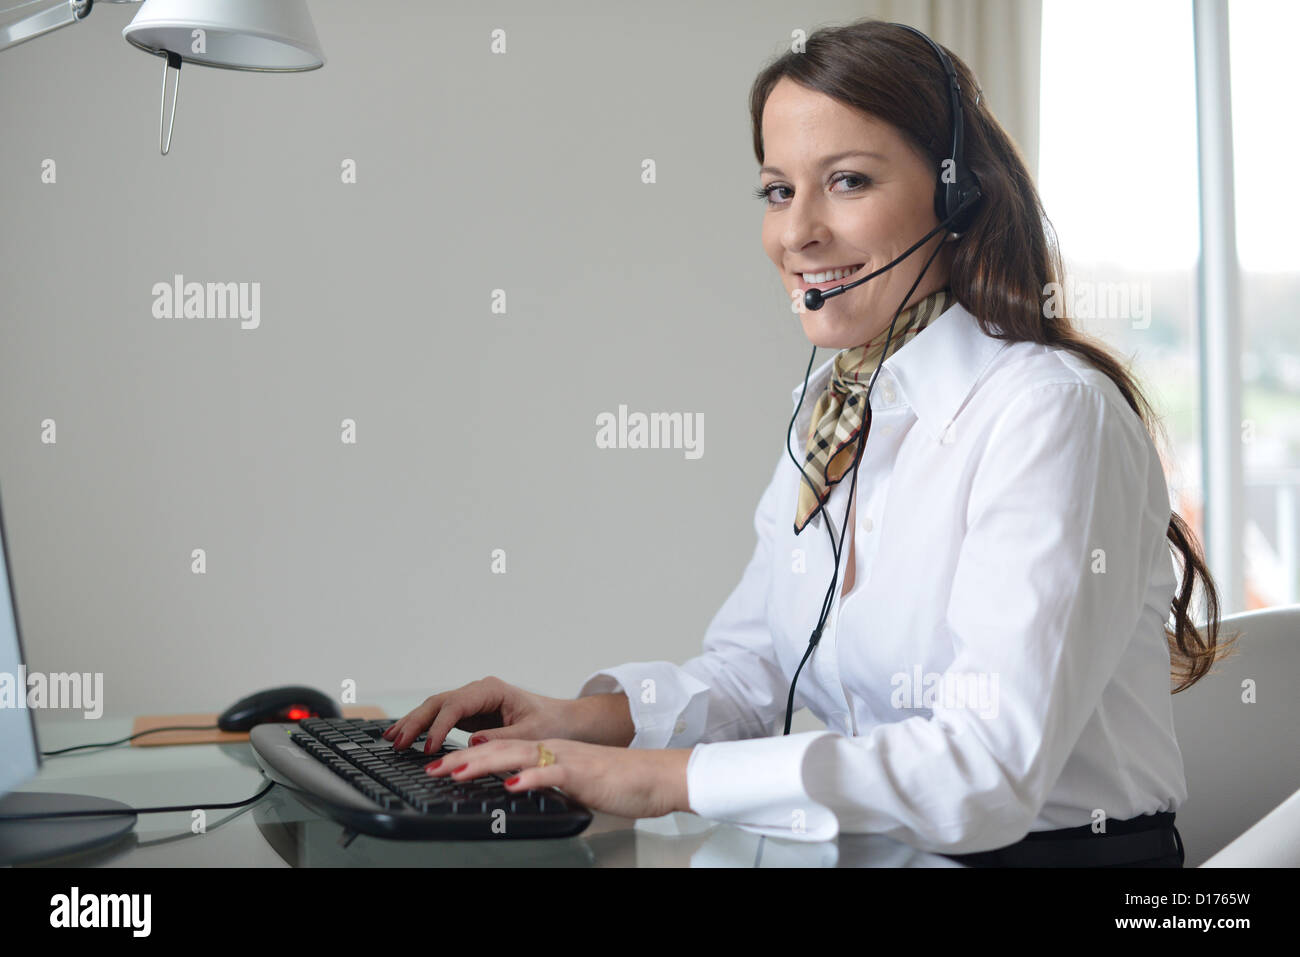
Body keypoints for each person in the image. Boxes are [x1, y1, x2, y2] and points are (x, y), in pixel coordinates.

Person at [385, 19, 1233, 865]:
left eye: (849, 181)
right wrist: (575, 722)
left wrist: (663, 779)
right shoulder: (834, 407)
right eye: (778, 191)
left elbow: (986, 770)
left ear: (956, 198)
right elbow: (755, 670)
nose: (797, 234)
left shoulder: (1047, 415)